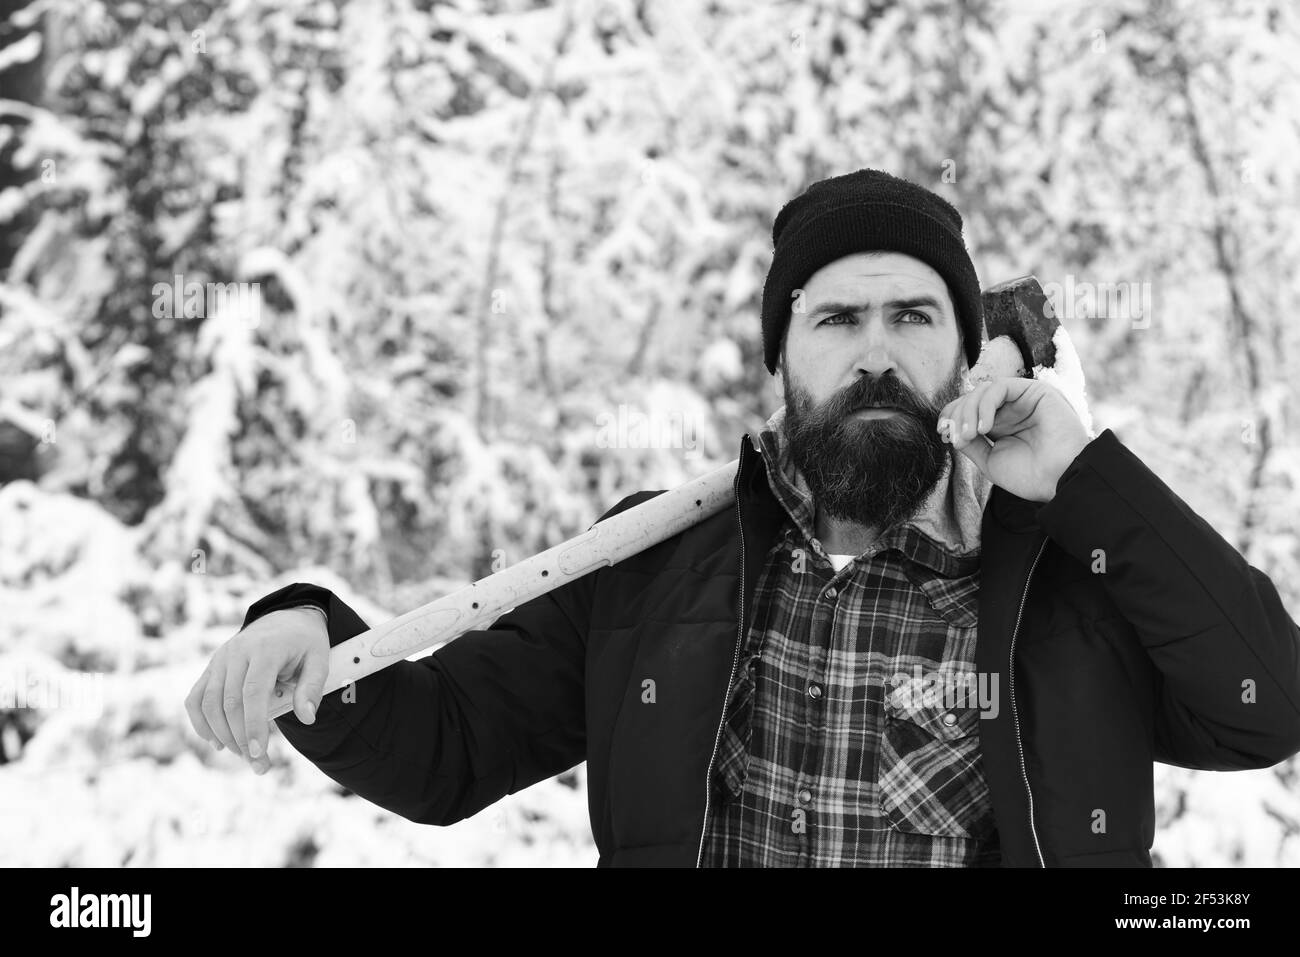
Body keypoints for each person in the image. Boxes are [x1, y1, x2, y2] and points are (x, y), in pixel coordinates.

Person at [186, 168, 1300, 867]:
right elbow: (450, 752)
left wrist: (1087, 475)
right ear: (781, 358)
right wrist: (310, 636)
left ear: (962, 359)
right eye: (836, 320)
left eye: (914, 317)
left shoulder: (1068, 577)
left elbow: (1267, 707)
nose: (874, 350)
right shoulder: (657, 563)